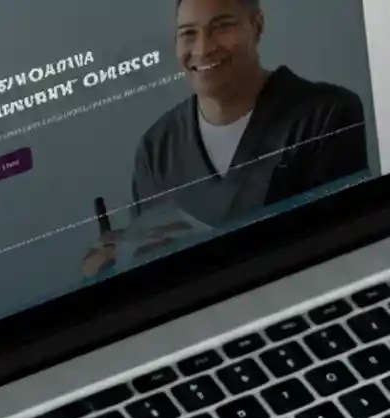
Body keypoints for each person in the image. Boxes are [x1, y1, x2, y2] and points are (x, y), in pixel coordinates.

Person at [83, 0, 369, 277]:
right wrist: (119, 264)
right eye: (188, 34)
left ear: (256, 26)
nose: (203, 48)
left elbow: (342, 245)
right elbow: (155, 271)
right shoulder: (156, 149)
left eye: (221, 26)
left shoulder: (326, 113)